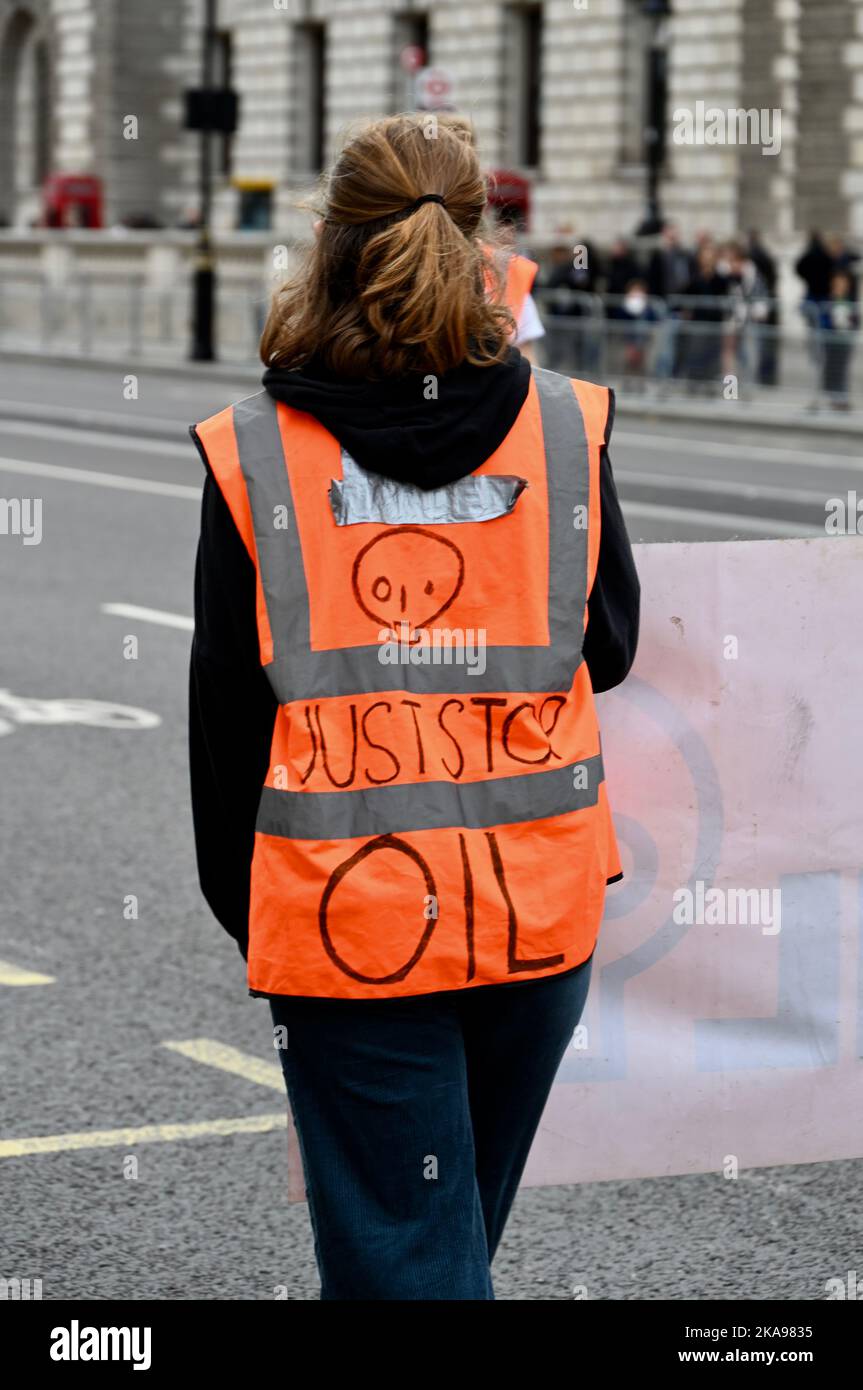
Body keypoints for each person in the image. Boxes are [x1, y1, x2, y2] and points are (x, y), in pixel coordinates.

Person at [188, 113, 640, 1301]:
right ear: (479, 239)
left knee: (407, 1255)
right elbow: (611, 643)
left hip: (348, 926)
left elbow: (226, 724)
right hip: (536, 912)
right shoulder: (563, 424)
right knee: (439, 1246)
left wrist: (255, 921)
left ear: (329, 248)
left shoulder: (257, 449)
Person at [819, 270, 859, 409]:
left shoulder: (849, 301)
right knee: (832, 368)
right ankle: (834, 396)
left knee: (843, 369)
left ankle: (842, 397)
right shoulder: (828, 300)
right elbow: (823, 320)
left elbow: (855, 320)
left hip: (845, 340)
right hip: (831, 340)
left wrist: (849, 325)